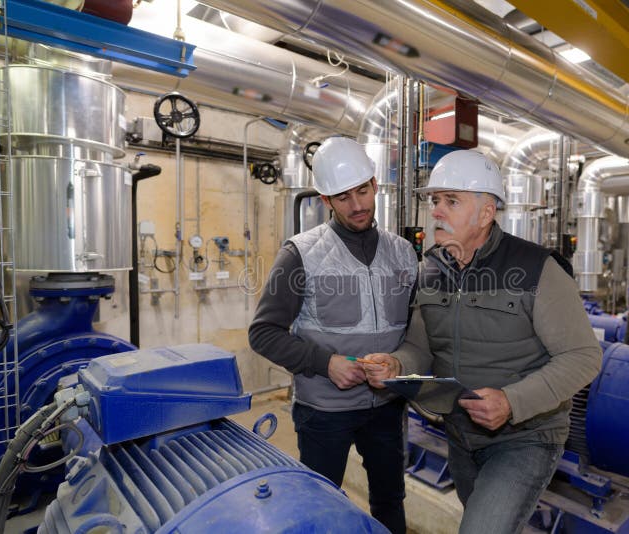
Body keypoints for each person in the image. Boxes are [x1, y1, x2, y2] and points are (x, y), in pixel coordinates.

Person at [364, 150, 603, 534]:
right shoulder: (431, 270)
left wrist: (512, 401)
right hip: (460, 434)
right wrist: (396, 364)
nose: (437, 211)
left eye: (451, 201)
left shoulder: (536, 269)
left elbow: (584, 356)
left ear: (486, 213)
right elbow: (421, 348)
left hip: (526, 437)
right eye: (435, 201)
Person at [249, 136, 417, 534]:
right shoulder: (301, 254)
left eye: (362, 190)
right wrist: (326, 364)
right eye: (343, 197)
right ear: (325, 200)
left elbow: (416, 331)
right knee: (320, 506)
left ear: (376, 185)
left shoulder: (404, 253)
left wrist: (400, 365)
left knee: (390, 501)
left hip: (388, 406)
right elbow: (263, 333)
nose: (357, 205)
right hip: (325, 411)